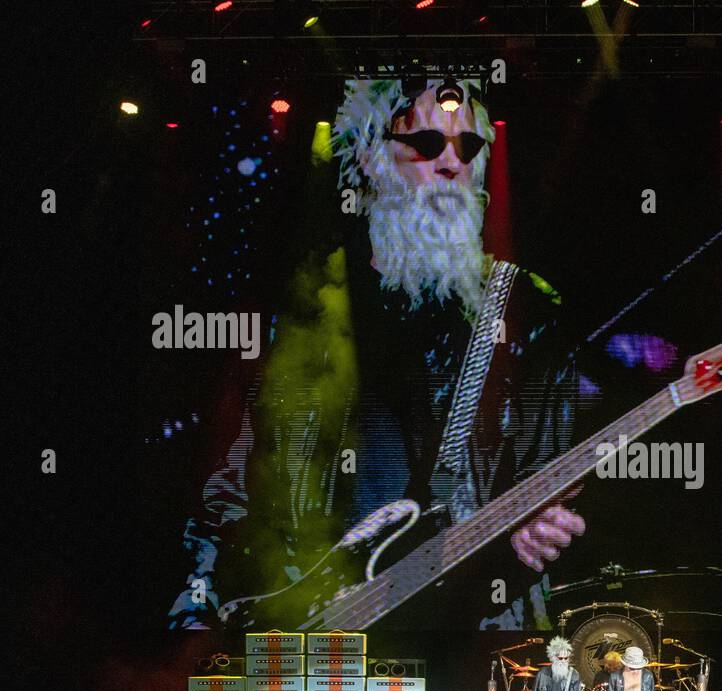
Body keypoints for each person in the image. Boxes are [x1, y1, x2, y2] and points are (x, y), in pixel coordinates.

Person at [169, 76, 585, 630]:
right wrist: (196, 615)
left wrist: (541, 531)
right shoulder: (299, 305)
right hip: (310, 627)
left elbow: (554, 477)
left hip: (467, 631)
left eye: (467, 148)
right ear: (370, 159)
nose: (451, 164)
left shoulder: (525, 308)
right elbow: (226, 492)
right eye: (428, 144)